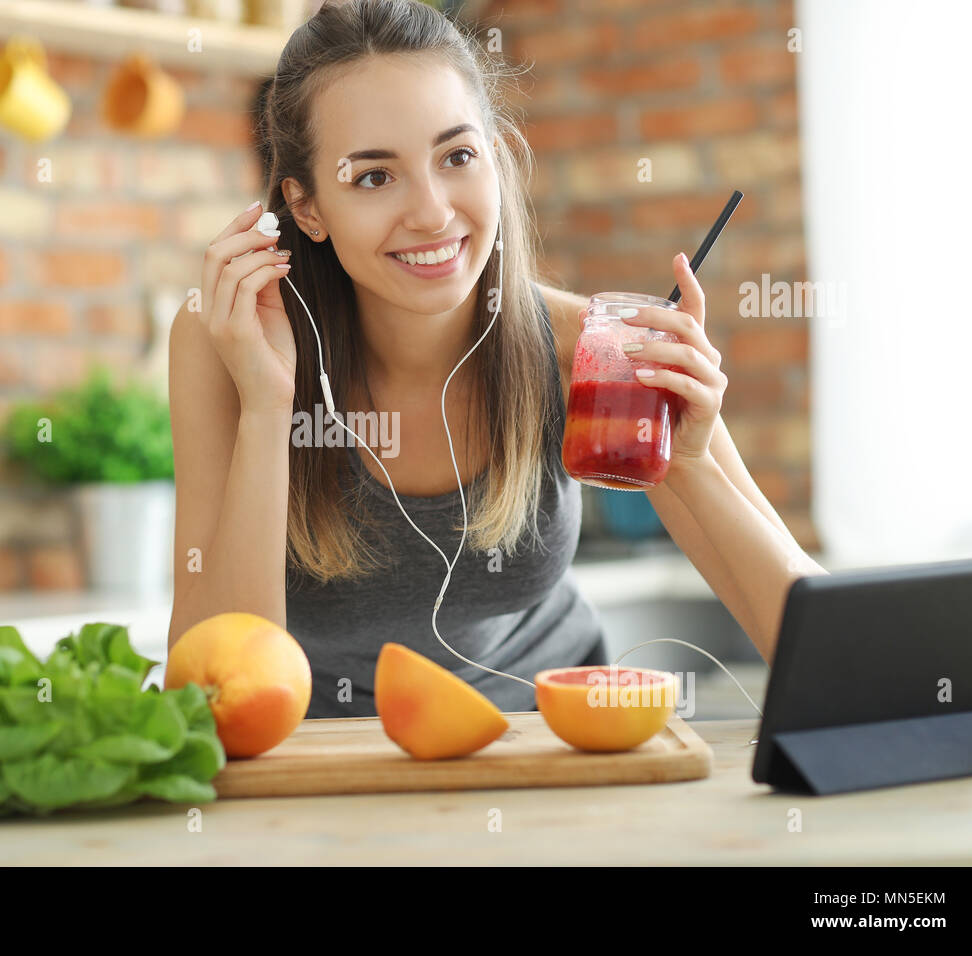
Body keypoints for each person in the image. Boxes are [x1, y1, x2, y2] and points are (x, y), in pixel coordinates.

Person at [168, 0, 825, 719]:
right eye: (374, 177)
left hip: (551, 749)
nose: (431, 212)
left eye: (457, 157)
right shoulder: (229, 343)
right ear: (307, 206)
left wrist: (691, 462)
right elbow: (205, 703)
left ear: (498, 158)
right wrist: (268, 407)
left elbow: (825, 649)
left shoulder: (592, 346)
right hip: (326, 774)